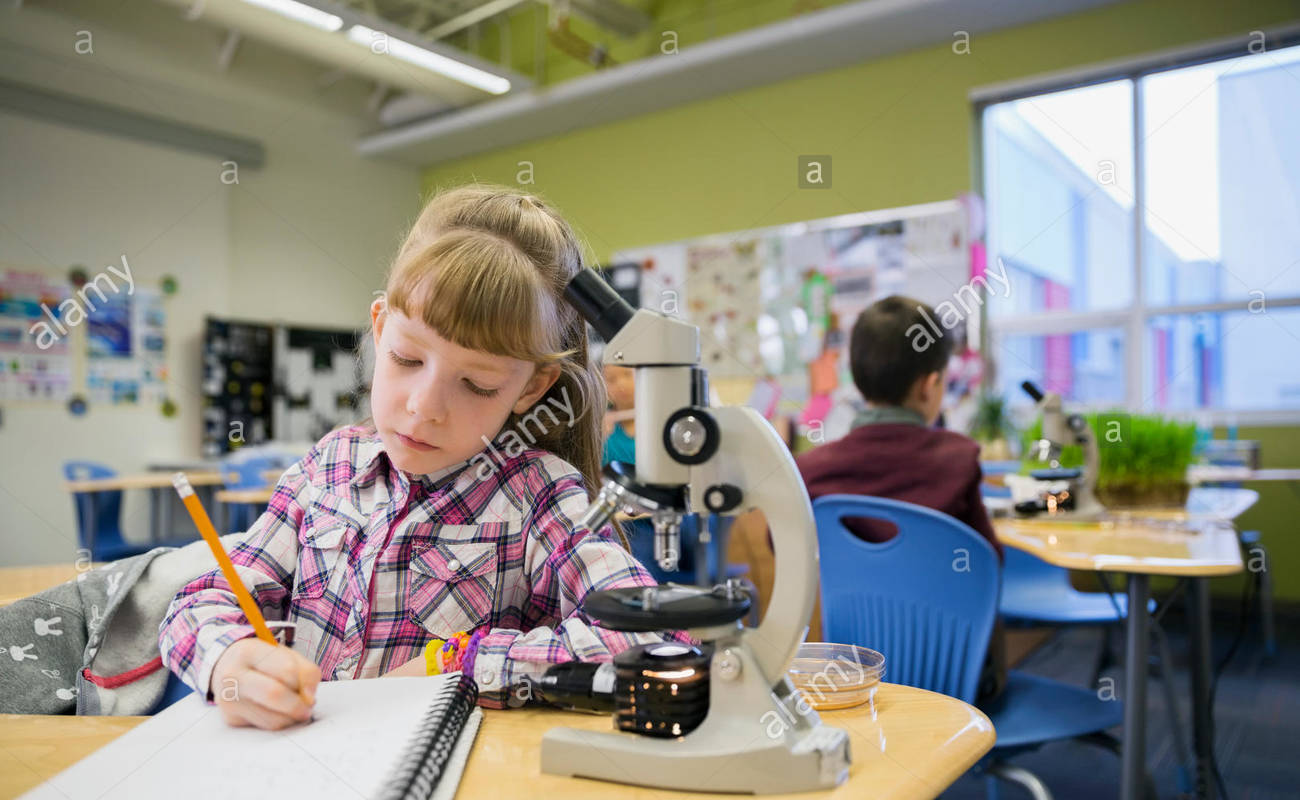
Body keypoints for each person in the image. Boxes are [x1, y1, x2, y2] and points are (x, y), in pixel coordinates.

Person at [159, 184, 681, 729]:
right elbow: (204, 600)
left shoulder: (537, 496)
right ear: (381, 329)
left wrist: (455, 663)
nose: (424, 407)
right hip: (301, 777)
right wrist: (230, 661)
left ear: (530, 388)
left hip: (447, 788)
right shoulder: (327, 469)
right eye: (407, 358)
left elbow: (652, 637)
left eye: (477, 384)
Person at [735, 294, 1005, 702]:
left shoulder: (812, 468)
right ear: (931, 385)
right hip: (952, 686)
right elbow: (990, 563)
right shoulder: (959, 458)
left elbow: (782, 546)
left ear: (857, 379)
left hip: (852, 682)